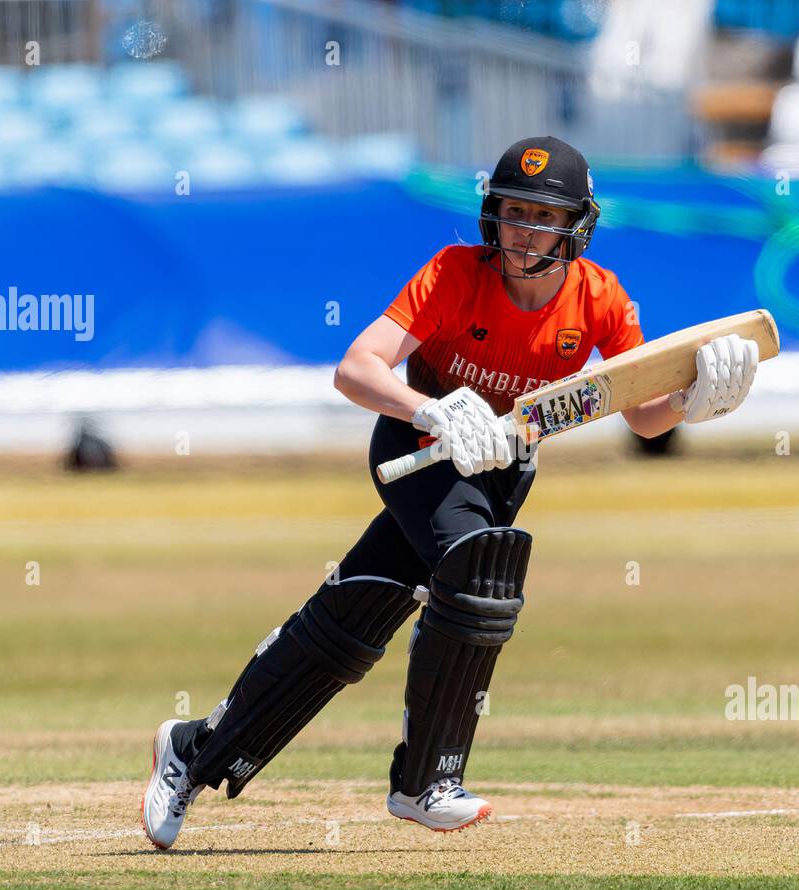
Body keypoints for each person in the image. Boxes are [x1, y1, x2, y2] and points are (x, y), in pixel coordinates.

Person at [142, 136, 760, 849]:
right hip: (419, 449)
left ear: (576, 226)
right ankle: (425, 780)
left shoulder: (599, 298)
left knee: (350, 625)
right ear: (492, 215)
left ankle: (194, 748)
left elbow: (642, 414)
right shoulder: (453, 274)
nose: (525, 229)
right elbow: (356, 367)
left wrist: (696, 399)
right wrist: (430, 408)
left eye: (544, 216)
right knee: (480, 570)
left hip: (501, 470)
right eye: (514, 211)